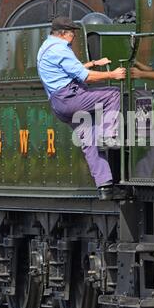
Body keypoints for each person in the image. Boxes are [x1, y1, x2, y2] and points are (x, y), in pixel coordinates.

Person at [37, 16, 126, 200]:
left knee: (88, 139)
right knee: (113, 94)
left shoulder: (46, 47)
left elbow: (68, 69)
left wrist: (93, 64)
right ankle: (109, 136)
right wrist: (113, 74)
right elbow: (85, 77)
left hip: (58, 104)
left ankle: (105, 186)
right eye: (71, 33)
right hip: (71, 97)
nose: (74, 37)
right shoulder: (61, 49)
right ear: (62, 34)